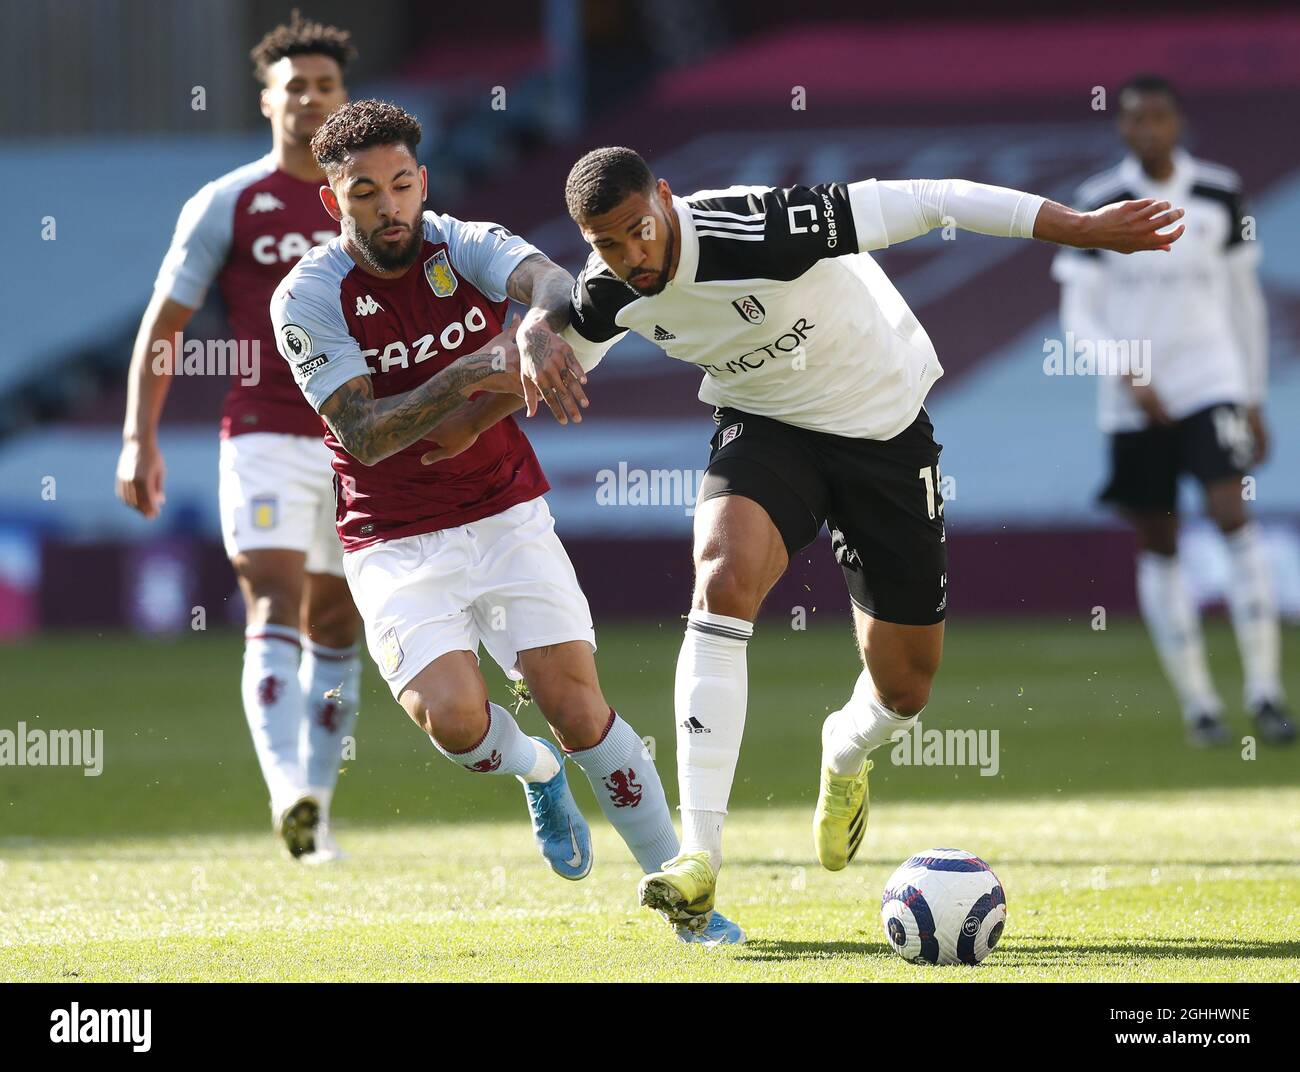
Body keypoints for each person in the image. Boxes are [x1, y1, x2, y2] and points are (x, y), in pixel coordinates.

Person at [556, 145, 1186, 927]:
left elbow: (936, 195)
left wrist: (1081, 227)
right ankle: (699, 855)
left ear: (667, 197)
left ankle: (845, 752)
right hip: (767, 428)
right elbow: (558, 352)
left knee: (905, 687)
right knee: (721, 578)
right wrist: (527, 343)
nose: (631, 255)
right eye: (607, 243)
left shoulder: (765, 225)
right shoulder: (606, 288)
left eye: (638, 230)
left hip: (884, 434)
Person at [270, 100, 743, 944]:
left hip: (506, 513)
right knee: (454, 719)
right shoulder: (308, 296)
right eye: (366, 192)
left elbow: (557, 283)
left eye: (404, 184)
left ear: (424, 181)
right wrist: (477, 370)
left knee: (578, 708)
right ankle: (535, 774)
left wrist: (532, 323)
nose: (391, 208)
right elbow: (368, 435)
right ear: (331, 201)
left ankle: (691, 906)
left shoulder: (464, 242)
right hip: (392, 536)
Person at [115, 13, 364, 861]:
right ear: (267, 100)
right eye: (294, 86)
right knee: (271, 602)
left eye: (324, 86)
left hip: (358, 442)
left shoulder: (373, 200)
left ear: (343, 98)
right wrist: (136, 438)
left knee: (337, 623)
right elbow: (165, 322)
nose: (309, 99)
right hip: (259, 433)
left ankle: (316, 811)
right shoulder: (229, 201)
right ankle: (286, 789)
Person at [1054, 74, 1293, 747]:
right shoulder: (1100, 202)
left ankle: (1266, 693)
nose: (1148, 129)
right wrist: (1125, 372)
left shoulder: (1220, 190)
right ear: (1122, 128)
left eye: (1159, 116)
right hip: (1134, 398)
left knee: (1230, 514)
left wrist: (1251, 397)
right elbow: (1078, 312)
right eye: (1135, 119)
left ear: (1179, 123)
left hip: (1210, 377)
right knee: (1159, 543)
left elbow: (1244, 300)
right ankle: (1200, 705)